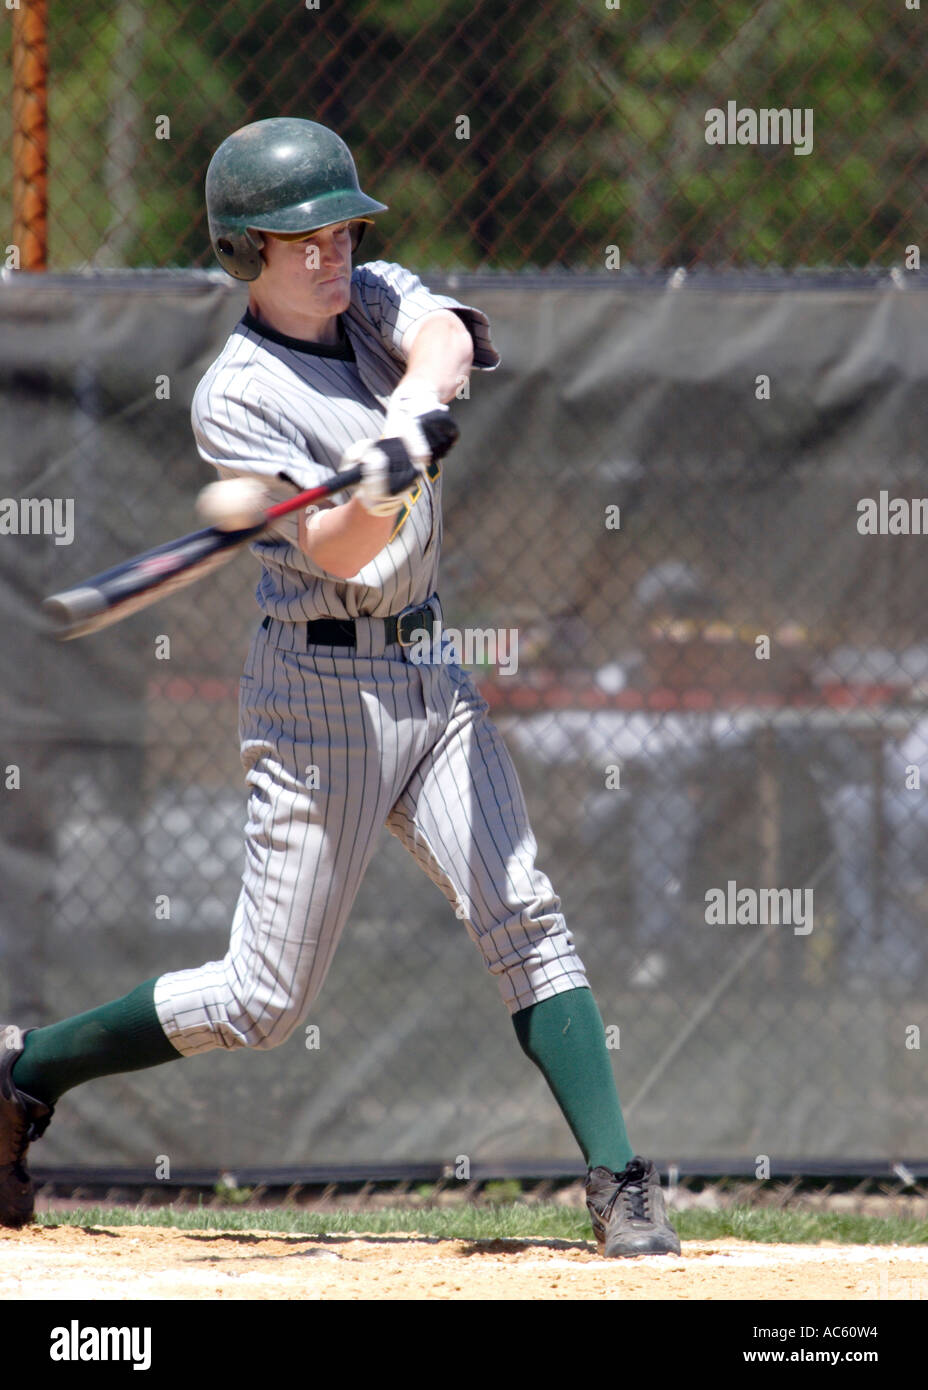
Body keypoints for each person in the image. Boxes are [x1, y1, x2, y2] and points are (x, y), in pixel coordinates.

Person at [0, 117, 679, 1258]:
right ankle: (30, 1070)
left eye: (337, 228)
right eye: (296, 238)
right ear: (243, 251)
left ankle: (618, 1180)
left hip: (430, 670)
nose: (327, 252)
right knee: (265, 1001)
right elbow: (339, 549)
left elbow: (446, 342)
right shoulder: (236, 396)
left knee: (522, 911)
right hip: (318, 693)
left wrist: (404, 425)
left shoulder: (368, 295)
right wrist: (384, 486)